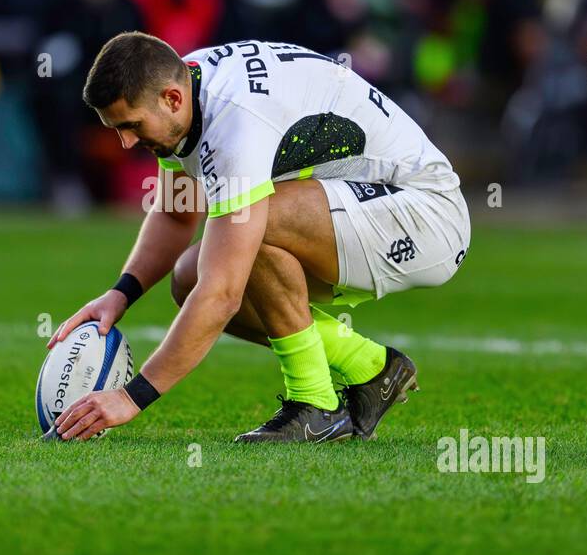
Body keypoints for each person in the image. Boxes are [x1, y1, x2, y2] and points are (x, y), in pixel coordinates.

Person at [46, 31, 471, 443]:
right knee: (190, 276)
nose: (125, 142)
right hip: (370, 204)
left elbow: (223, 295)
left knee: (247, 231)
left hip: (425, 215)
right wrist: (120, 295)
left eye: (131, 125)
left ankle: (313, 403)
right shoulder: (185, 88)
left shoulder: (233, 122)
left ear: (171, 99)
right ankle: (371, 367)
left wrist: (130, 398)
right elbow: (177, 215)